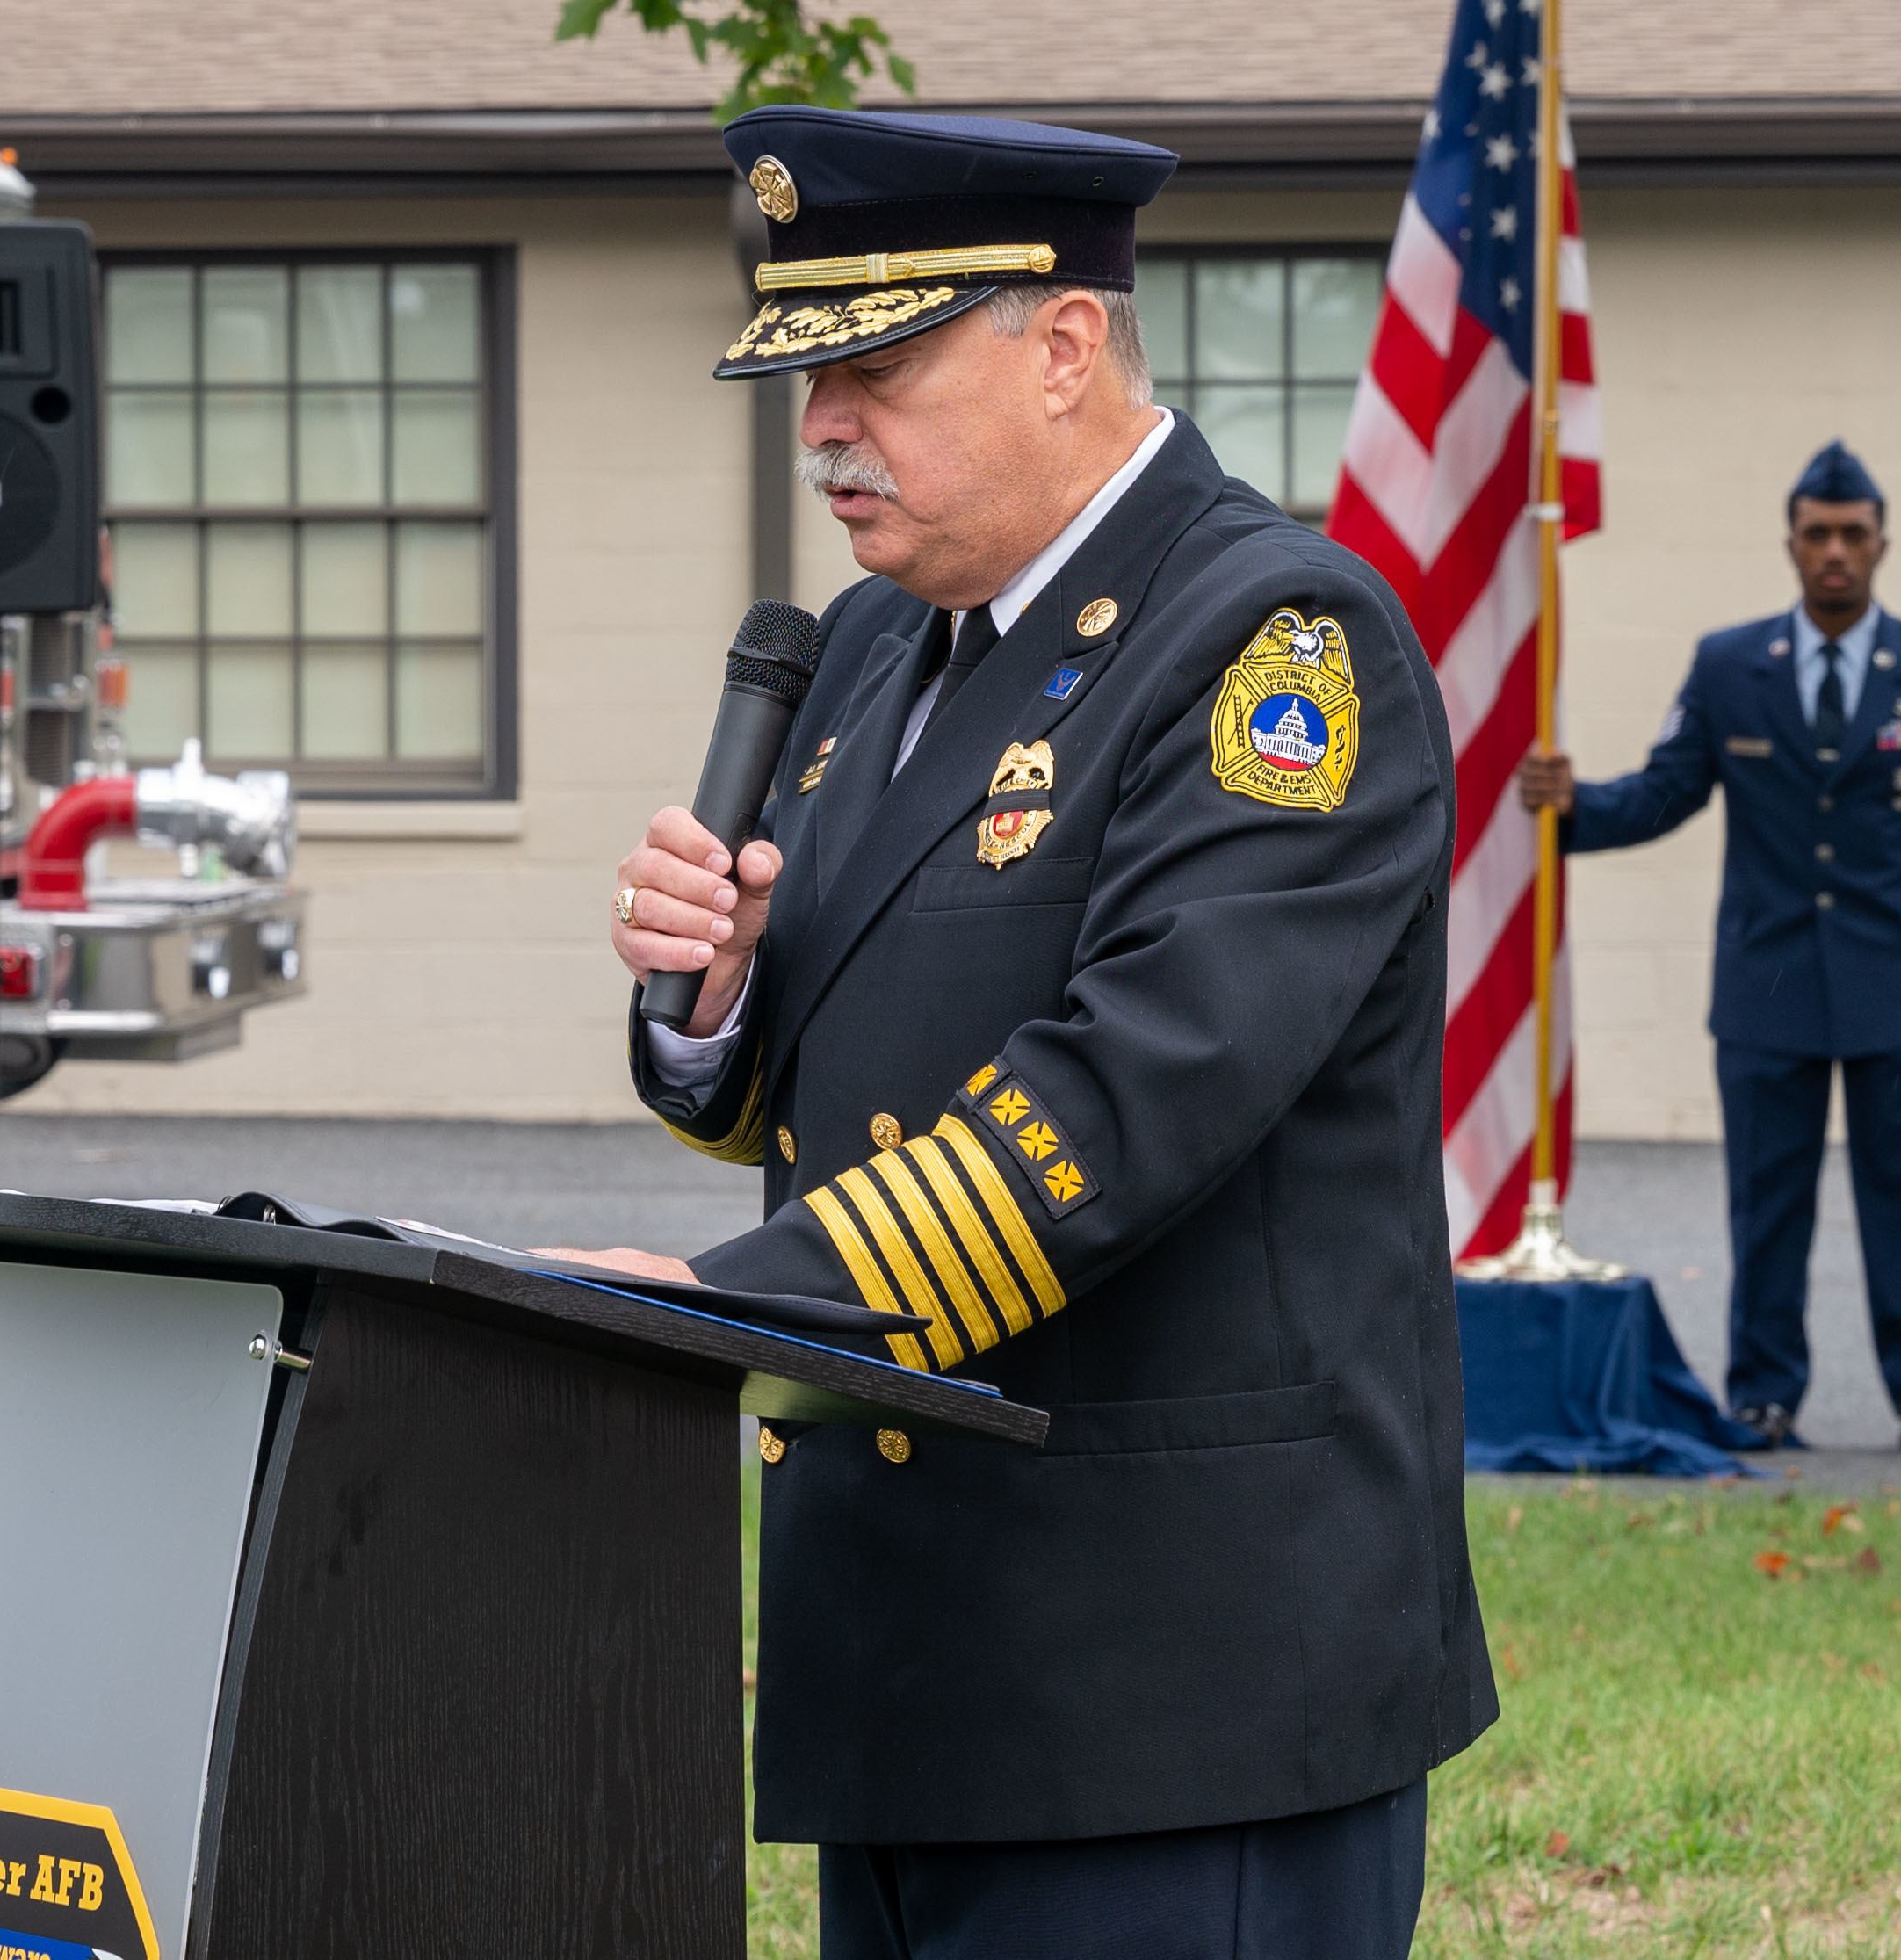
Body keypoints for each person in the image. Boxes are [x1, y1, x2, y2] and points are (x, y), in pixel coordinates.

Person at [544, 107, 1491, 1957]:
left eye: (870, 369)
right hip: (908, 1670)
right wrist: (719, 1005)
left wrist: (708, 1305)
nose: (818, 425)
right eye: (803, 376)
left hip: (1172, 1692)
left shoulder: (1271, 641)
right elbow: (849, 1084)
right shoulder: (879, 650)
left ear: (1060, 346)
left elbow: (1122, 1105)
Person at [1518, 441, 1901, 1455]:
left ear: (1881, 543)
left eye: (1851, 534)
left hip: (1897, 977)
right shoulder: (1727, 665)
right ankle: (1760, 1393)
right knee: (1766, 1200)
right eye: (1815, 534)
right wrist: (1573, 807)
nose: (1833, 551)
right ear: (1788, 544)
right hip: (1769, 979)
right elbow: (1667, 789)